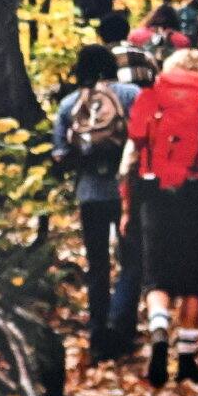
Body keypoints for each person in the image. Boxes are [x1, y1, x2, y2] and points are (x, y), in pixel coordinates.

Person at [120, 48, 198, 387]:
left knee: (156, 278)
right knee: (192, 281)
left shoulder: (151, 101)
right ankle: (186, 360)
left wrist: (127, 208)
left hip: (154, 196)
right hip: (197, 196)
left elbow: (129, 162)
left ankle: (158, 331)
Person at [51, 45, 139, 361]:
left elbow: (59, 153)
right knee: (133, 260)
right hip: (127, 192)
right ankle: (120, 325)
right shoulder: (131, 95)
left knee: (97, 263)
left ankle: (98, 332)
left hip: (89, 192)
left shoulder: (69, 104)